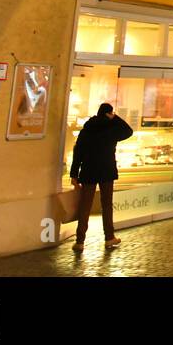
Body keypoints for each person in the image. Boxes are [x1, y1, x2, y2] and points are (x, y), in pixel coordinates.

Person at [69, 102, 133, 252]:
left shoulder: (87, 128)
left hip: (88, 170)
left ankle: (80, 241)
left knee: (85, 206)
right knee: (107, 205)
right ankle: (109, 238)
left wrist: (74, 174)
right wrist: (115, 118)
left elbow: (78, 152)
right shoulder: (112, 128)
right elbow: (128, 131)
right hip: (106, 170)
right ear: (109, 113)